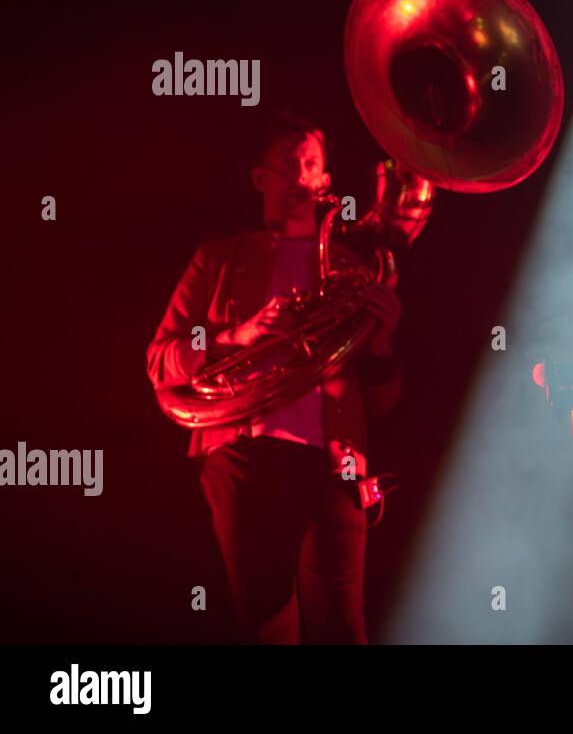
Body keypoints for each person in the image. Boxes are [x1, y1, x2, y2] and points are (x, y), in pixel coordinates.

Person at [146, 111, 403, 643]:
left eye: (310, 166)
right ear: (260, 178)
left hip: (340, 463)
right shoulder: (217, 258)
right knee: (267, 625)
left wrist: (380, 343)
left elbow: (381, 400)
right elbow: (160, 360)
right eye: (287, 166)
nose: (300, 177)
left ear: (326, 182)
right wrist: (236, 335)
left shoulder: (352, 268)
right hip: (245, 454)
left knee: (344, 629)